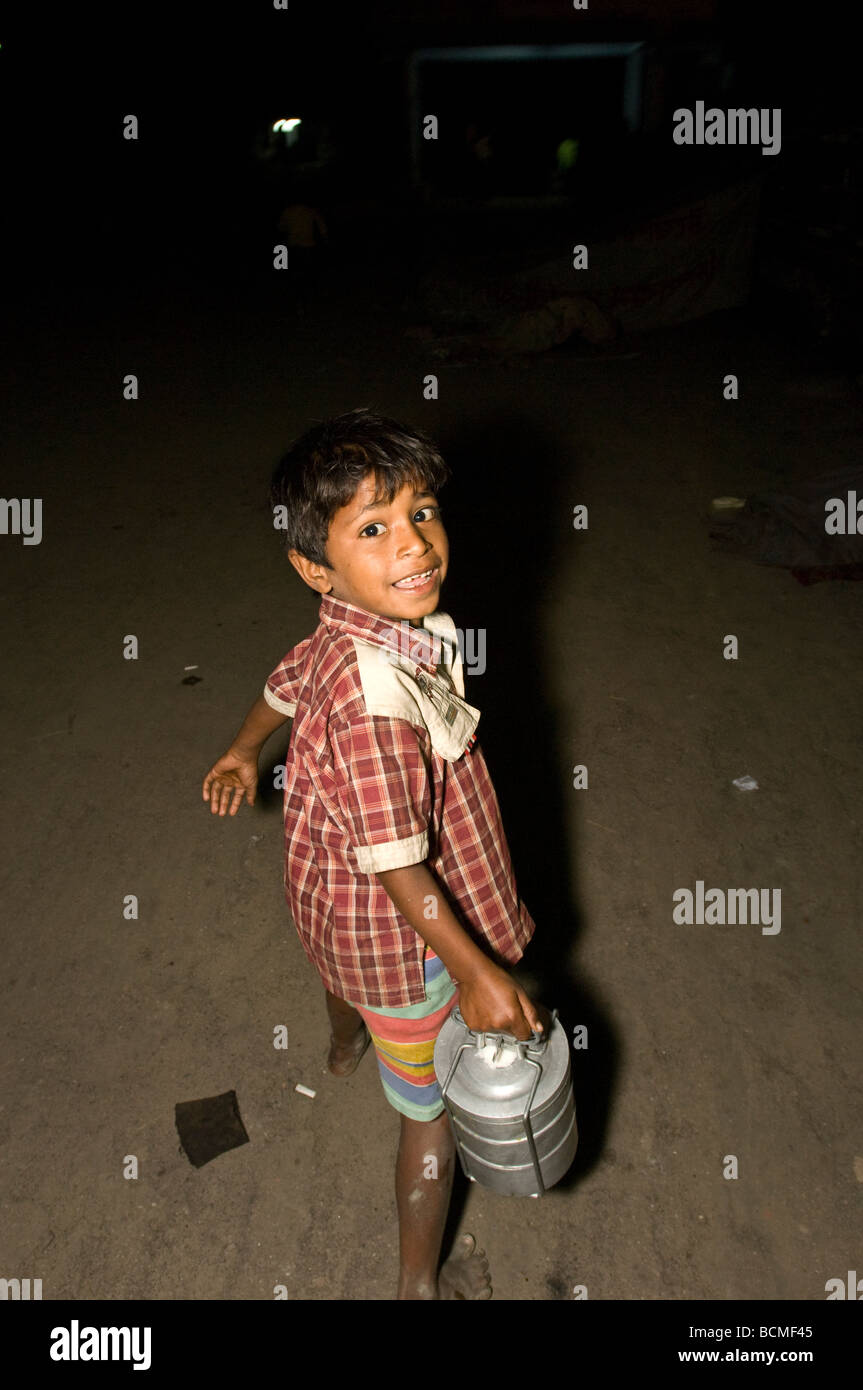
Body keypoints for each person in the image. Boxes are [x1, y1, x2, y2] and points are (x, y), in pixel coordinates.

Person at [202, 408, 542, 1299]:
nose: (414, 544)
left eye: (420, 513)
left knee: (340, 971)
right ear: (314, 567)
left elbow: (281, 688)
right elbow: (397, 865)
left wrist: (242, 751)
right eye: (373, 529)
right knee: (429, 1118)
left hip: (333, 904)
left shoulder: (347, 629)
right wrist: (473, 972)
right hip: (402, 936)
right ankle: (416, 1284)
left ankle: (341, 1047)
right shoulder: (374, 703)